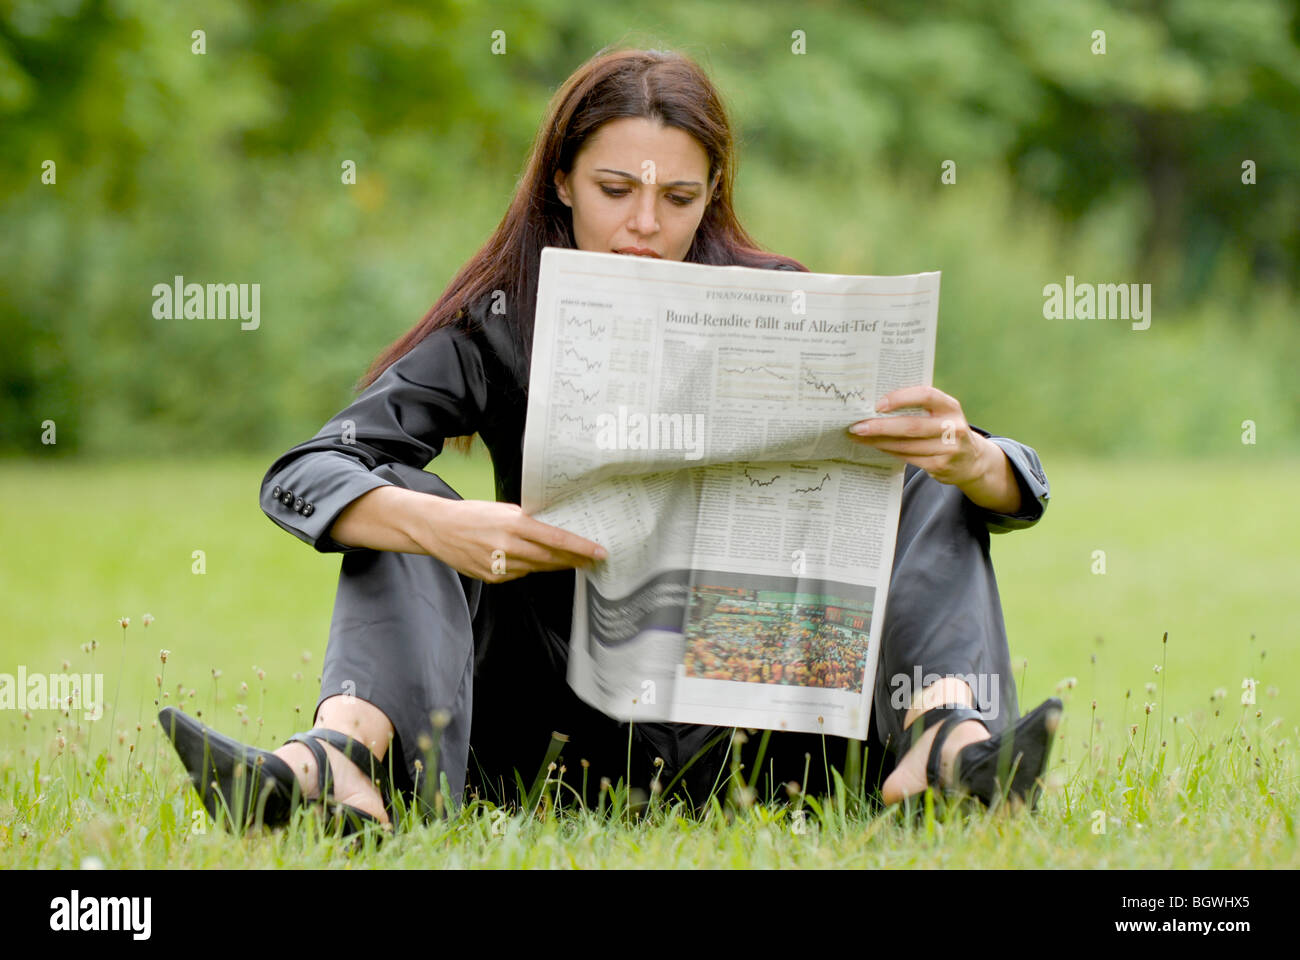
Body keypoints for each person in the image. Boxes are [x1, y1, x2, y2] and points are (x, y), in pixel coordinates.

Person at [159, 46, 1061, 836]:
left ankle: (946, 747)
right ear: (561, 180)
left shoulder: (778, 301)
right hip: (554, 733)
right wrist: (448, 528)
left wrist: (974, 459)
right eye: (615, 191)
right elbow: (308, 471)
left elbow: (999, 479)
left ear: (711, 197)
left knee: (921, 470)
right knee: (407, 506)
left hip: (764, 736)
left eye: (678, 198)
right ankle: (337, 762)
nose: (644, 226)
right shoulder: (501, 319)